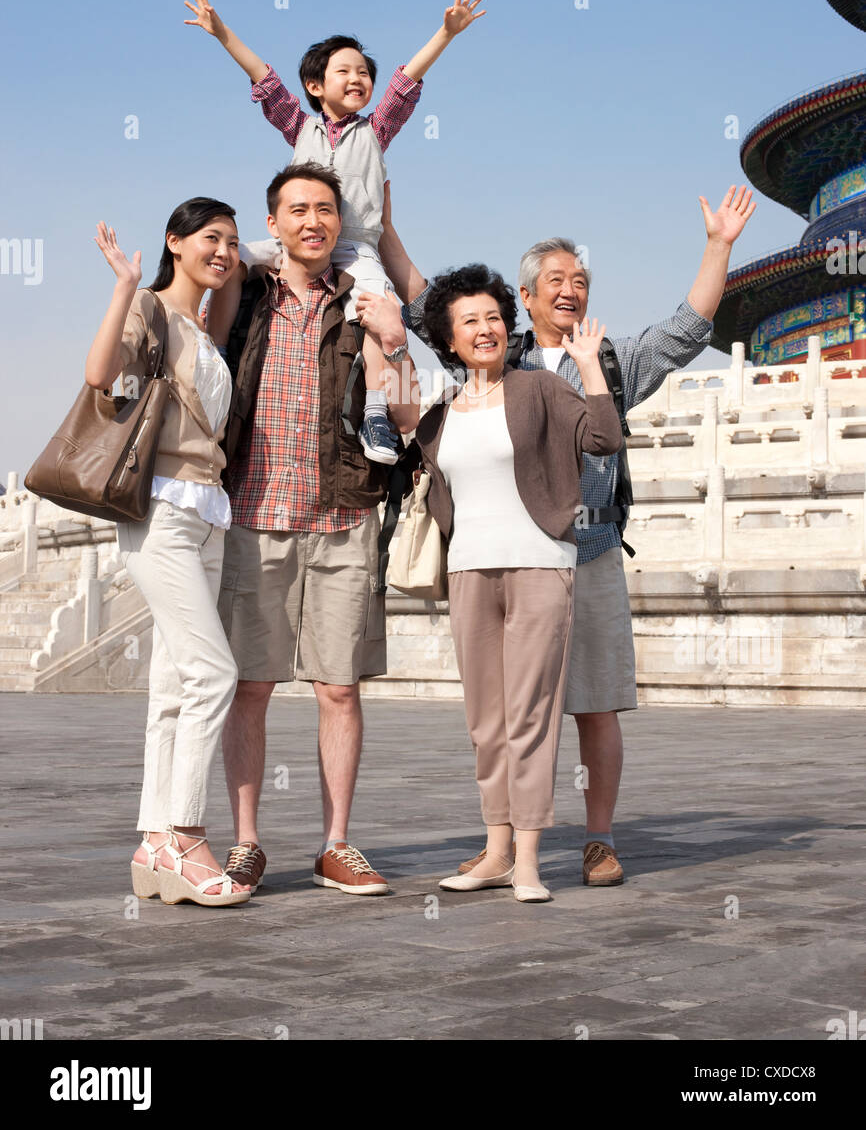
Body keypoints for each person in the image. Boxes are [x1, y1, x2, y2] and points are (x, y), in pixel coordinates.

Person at [376, 185, 756, 886]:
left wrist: (718, 246)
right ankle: (506, 848)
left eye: (581, 280)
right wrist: (387, 231)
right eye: (556, 280)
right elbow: (427, 304)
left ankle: (599, 838)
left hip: (594, 551)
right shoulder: (496, 356)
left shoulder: (609, 360)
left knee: (596, 701)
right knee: (503, 709)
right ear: (526, 294)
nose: (571, 290)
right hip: (505, 556)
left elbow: (687, 328)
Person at [215, 162, 420, 897]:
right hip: (253, 515)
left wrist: (393, 343)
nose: (313, 221)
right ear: (272, 222)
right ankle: (244, 843)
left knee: (340, 689)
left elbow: (405, 417)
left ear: (341, 222)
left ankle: (337, 842)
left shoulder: (367, 303)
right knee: (251, 686)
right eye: (297, 209)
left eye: (325, 209)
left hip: (343, 515)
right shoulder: (243, 297)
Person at [184, 0, 484, 463]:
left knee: (377, 310)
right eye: (343, 71)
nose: (357, 78)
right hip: (294, 243)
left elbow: (405, 83)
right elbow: (264, 78)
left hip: (354, 245)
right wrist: (221, 33)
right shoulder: (299, 127)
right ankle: (214, 353)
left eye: (363, 72)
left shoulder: (376, 130)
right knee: (232, 259)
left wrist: (444, 34)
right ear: (315, 86)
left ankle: (378, 415)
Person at [398, 264, 621, 901]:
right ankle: (494, 852)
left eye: (494, 316)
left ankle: (527, 861)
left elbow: (604, 438)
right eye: (470, 321)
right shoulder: (441, 413)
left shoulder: (540, 388)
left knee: (530, 717)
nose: (485, 328)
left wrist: (591, 364)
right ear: (449, 337)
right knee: (485, 722)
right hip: (469, 571)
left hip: (539, 567)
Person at [85, 202, 249, 907]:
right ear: (174, 243)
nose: (225, 250)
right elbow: (100, 378)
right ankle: (185, 835)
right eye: (211, 237)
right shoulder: (149, 308)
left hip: (209, 515)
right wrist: (124, 286)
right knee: (216, 674)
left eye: (234, 242)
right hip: (161, 516)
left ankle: (152, 846)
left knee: (175, 689)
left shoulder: (208, 332)